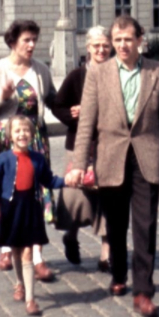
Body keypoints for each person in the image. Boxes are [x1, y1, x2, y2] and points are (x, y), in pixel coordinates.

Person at [66, 15, 159, 317]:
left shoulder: (158, 72)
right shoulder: (99, 74)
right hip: (111, 156)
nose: (122, 45)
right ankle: (119, 273)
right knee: (117, 223)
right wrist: (79, 164)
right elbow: (86, 124)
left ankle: (144, 291)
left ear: (140, 40)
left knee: (145, 226)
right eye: (117, 40)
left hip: (146, 156)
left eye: (128, 39)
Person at [0, 19, 62, 282]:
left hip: (35, 142)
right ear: (12, 42)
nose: (32, 45)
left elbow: (53, 99)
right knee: (7, 193)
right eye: (27, 40)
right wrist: (0, 98)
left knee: (35, 195)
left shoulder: (40, 70)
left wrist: (74, 110)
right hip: (4, 145)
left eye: (34, 39)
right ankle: (5, 248)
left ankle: (37, 258)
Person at [0, 115, 67, 316]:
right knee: (15, 250)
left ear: (32, 134)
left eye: (26, 131)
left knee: (28, 252)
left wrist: (68, 181)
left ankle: (30, 300)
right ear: (10, 136)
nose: (22, 134)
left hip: (30, 208)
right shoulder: (3, 159)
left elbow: (49, 180)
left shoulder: (38, 158)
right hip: (10, 209)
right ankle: (20, 283)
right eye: (17, 131)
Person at [52, 26, 113, 271]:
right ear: (88, 47)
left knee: (108, 198)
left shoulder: (117, 73)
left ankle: (106, 254)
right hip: (78, 144)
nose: (101, 50)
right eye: (96, 46)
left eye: (105, 45)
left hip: (109, 145)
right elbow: (57, 105)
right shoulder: (77, 76)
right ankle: (71, 235)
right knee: (77, 197)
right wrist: (70, 113)